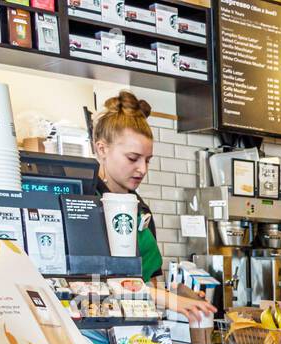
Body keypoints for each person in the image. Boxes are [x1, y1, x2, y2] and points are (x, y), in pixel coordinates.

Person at [91, 92, 215, 323]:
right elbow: (88, 286)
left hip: (139, 334)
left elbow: (148, 284)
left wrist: (176, 295)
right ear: (102, 149)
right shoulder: (85, 204)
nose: (142, 169)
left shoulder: (141, 211)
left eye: (147, 160)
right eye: (132, 158)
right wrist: (166, 298)